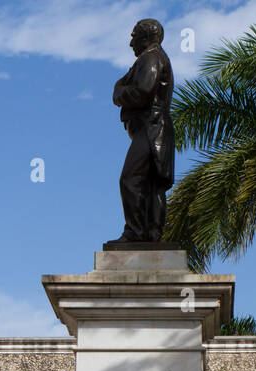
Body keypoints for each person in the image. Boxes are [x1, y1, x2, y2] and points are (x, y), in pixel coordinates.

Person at [109, 19, 175, 244]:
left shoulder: (150, 58)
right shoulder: (155, 57)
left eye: (134, 36)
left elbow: (143, 91)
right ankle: (151, 234)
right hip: (156, 129)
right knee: (151, 184)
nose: (131, 43)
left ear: (146, 37)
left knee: (130, 179)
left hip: (151, 128)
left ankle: (136, 233)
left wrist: (118, 92)